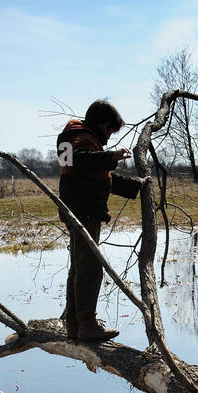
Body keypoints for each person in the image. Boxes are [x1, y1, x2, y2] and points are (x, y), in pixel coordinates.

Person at [56, 99, 144, 341]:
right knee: (90, 268)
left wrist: (135, 187)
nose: (109, 136)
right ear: (102, 123)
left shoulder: (78, 138)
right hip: (82, 211)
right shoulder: (79, 139)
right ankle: (86, 325)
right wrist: (110, 156)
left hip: (79, 209)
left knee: (79, 267)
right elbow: (82, 161)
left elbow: (95, 175)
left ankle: (75, 326)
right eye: (110, 130)